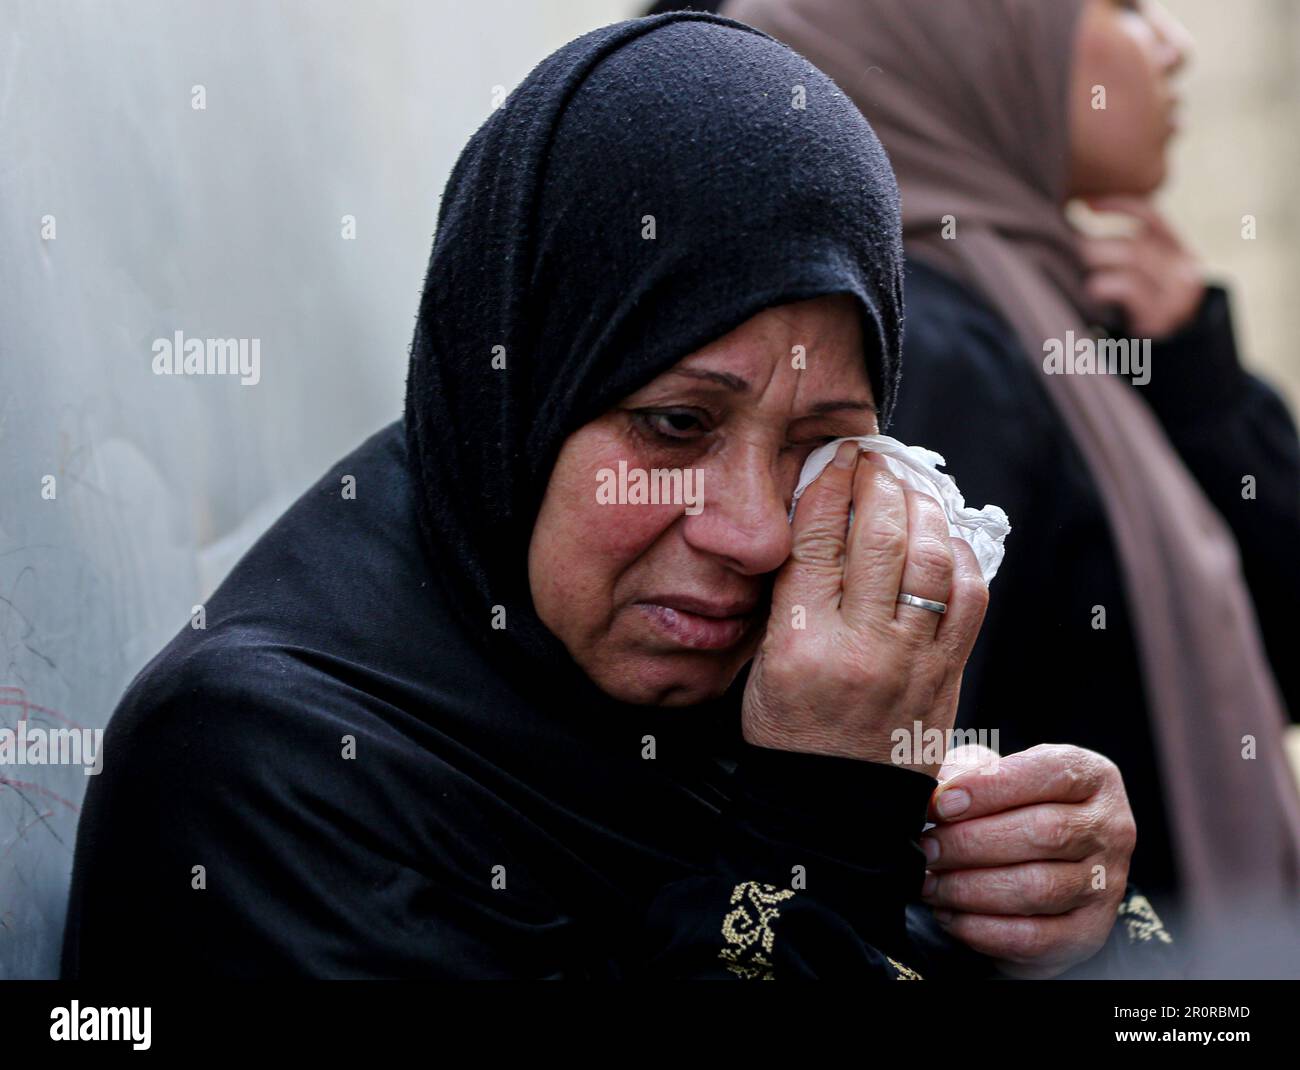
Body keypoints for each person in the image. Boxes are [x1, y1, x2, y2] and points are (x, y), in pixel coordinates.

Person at [60, 11, 1166, 980]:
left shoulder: (742, 697)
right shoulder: (259, 777)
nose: (752, 531)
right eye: (674, 425)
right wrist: (819, 830)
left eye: (817, 444)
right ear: (520, 394)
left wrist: (1028, 905)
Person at [724, 0, 1300, 960]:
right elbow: (889, 801)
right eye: (1121, 3)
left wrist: (1197, 373)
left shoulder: (1061, 303)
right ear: (969, 40)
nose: (1173, 43)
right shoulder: (924, 347)